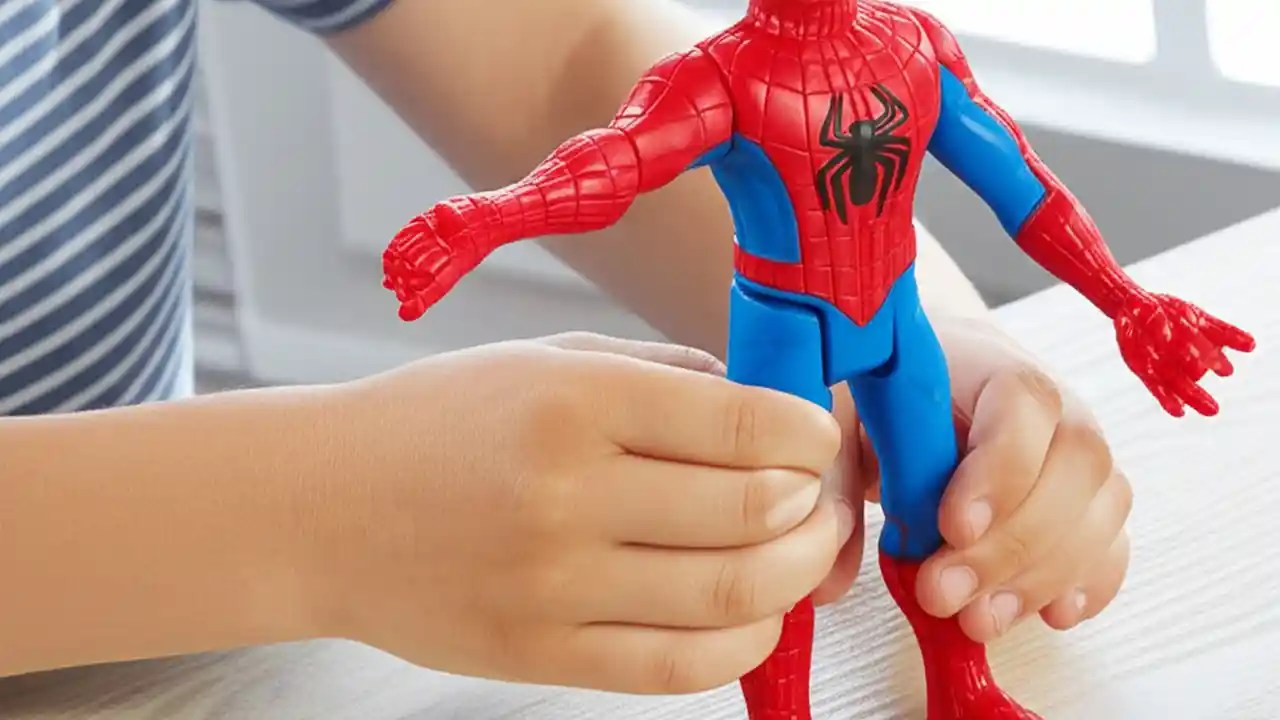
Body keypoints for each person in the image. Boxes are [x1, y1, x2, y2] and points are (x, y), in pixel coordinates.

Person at [0, 0, 1131, 699]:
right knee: (771, 540)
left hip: (185, 666)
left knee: (871, 512)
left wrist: (982, 336)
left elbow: (559, 51)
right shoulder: (739, 75)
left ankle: (960, 681)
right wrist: (322, 517)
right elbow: (632, 151)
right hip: (165, 616)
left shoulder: (907, 45)